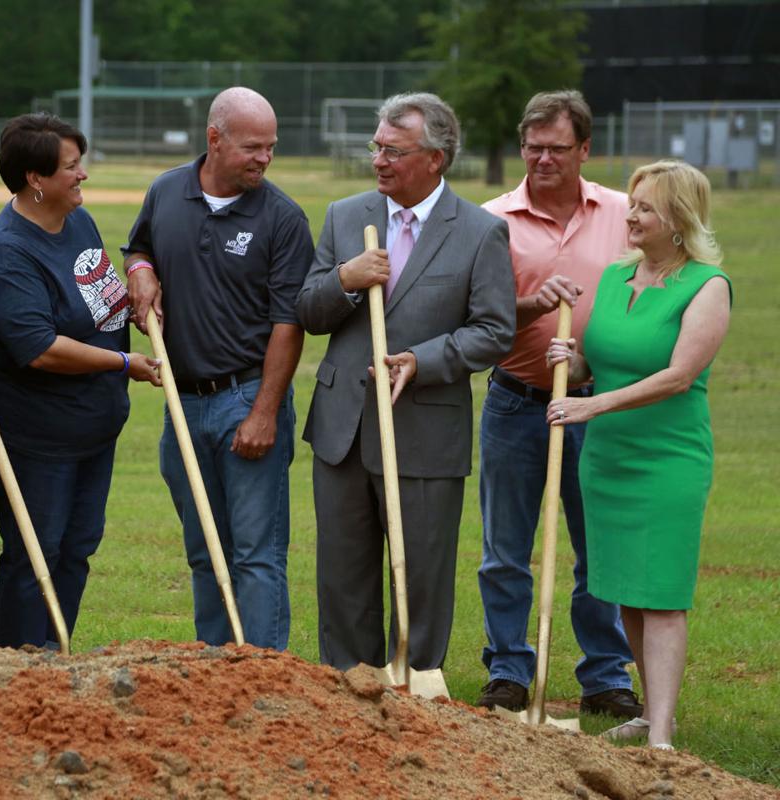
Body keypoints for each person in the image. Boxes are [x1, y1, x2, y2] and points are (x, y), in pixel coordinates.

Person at [296, 92, 515, 672]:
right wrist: (345, 278)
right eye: (376, 147)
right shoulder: (346, 215)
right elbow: (309, 312)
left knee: (421, 576)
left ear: (435, 158)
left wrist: (422, 359)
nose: (379, 160)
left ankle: (415, 693)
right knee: (343, 576)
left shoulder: (479, 231)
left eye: (393, 150)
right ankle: (349, 692)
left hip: (425, 433)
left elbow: (494, 331)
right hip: (342, 428)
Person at [546, 160, 730, 750]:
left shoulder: (708, 286)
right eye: (632, 204)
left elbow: (678, 376)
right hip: (608, 460)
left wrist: (591, 408)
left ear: (677, 220)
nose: (631, 215)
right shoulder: (615, 276)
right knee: (625, 586)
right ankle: (650, 714)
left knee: (663, 593)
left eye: (646, 207)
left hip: (667, 460)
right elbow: (592, 367)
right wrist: (569, 361)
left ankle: (664, 737)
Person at [124, 87, 314, 650]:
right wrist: (139, 268)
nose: (265, 158)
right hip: (181, 403)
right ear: (215, 140)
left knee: (256, 553)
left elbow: (289, 324)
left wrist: (264, 413)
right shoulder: (165, 191)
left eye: (271, 147)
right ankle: (210, 675)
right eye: (253, 147)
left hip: (245, 398)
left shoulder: (282, 218)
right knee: (205, 549)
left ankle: (261, 676)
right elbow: (137, 248)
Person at [475, 91, 640, 717]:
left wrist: (595, 361)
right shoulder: (491, 219)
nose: (544, 159)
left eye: (558, 148)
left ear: (585, 149)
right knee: (504, 549)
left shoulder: (624, 214)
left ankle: (605, 676)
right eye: (534, 147)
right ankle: (510, 670)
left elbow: (647, 298)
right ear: (522, 147)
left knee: (597, 547)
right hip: (517, 400)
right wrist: (531, 305)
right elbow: (477, 314)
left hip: (597, 405)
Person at [0, 113, 160, 649]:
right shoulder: (7, 254)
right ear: (36, 178)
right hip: (36, 437)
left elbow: (98, 295)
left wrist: (137, 301)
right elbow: (40, 349)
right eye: (72, 167)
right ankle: (18, 667)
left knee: (77, 547)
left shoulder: (76, 220)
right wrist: (124, 364)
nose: (83, 176)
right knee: (36, 552)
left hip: (93, 426)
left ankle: (55, 662)